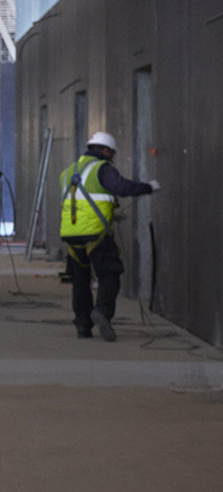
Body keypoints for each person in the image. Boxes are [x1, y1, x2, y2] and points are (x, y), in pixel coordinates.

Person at [60, 129, 158, 342]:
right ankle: (102, 312)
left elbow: (80, 201)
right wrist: (147, 188)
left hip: (70, 235)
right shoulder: (102, 168)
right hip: (95, 233)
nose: (113, 157)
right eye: (112, 153)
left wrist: (111, 214)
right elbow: (121, 188)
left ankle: (83, 327)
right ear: (105, 150)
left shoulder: (68, 171)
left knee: (81, 281)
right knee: (110, 274)